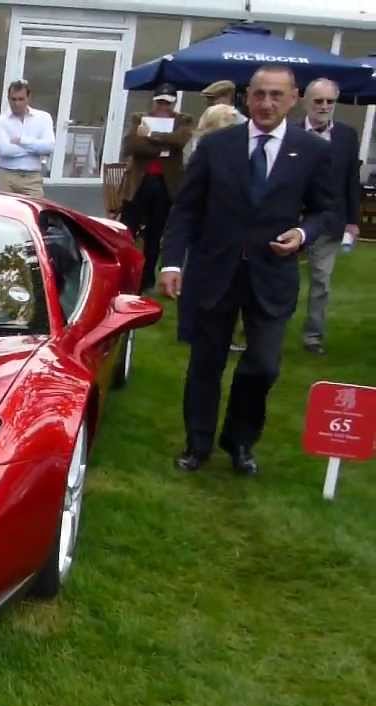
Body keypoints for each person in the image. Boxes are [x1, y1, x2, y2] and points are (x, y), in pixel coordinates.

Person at [158, 65, 335, 476]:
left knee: (264, 365)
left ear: (293, 99)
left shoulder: (311, 151)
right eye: (259, 95)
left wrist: (303, 233)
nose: (267, 103)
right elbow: (186, 208)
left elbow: (326, 209)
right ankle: (197, 444)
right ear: (246, 98)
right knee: (206, 364)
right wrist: (171, 261)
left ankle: (240, 440)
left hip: (272, 274)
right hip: (214, 272)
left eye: (277, 95)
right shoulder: (217, 146)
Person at [298, 77, 362, 356]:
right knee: (276, 281)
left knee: (321, 281)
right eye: (319, 101)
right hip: (292, 220)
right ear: (305, 102)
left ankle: (313, 336)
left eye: (330, 101)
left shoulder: (347, 136)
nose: (324, 106)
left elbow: (351, 179)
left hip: (329, 221)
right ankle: (262, 331)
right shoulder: (289, 132)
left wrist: (353, 220)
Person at [176, 102, 243, 345]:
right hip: (203, 222)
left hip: (227, 226)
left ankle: (223, 329)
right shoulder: (203, 149)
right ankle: (188, 328)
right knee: (196, 276)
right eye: (231, 120)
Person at [120, 83, 193, 294]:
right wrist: (162, 144)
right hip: (139, 183)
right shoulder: (138, 118)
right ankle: (123, 273)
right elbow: (132, 145)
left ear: (174, 103)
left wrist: (150, 135)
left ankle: (147, 279)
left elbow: (179, 140)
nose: (163, 106)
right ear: (154, 101)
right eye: (160, 102)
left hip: (164, 184)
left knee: (155, 234)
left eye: (167, 103)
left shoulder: (183, 120)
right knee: (127, 232)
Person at [0, 79, 55, 198]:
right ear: (8, 98)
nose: (17, 103)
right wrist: (36, 147)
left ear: (29, 98)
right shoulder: (0, 121)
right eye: (13, 99)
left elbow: (49, 147)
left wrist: (22, 141)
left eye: (21, 99)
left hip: (32, 177)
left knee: (33, 212)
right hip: (6, 175)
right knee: (5, 213)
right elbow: (5, 150)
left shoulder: (43, 118)